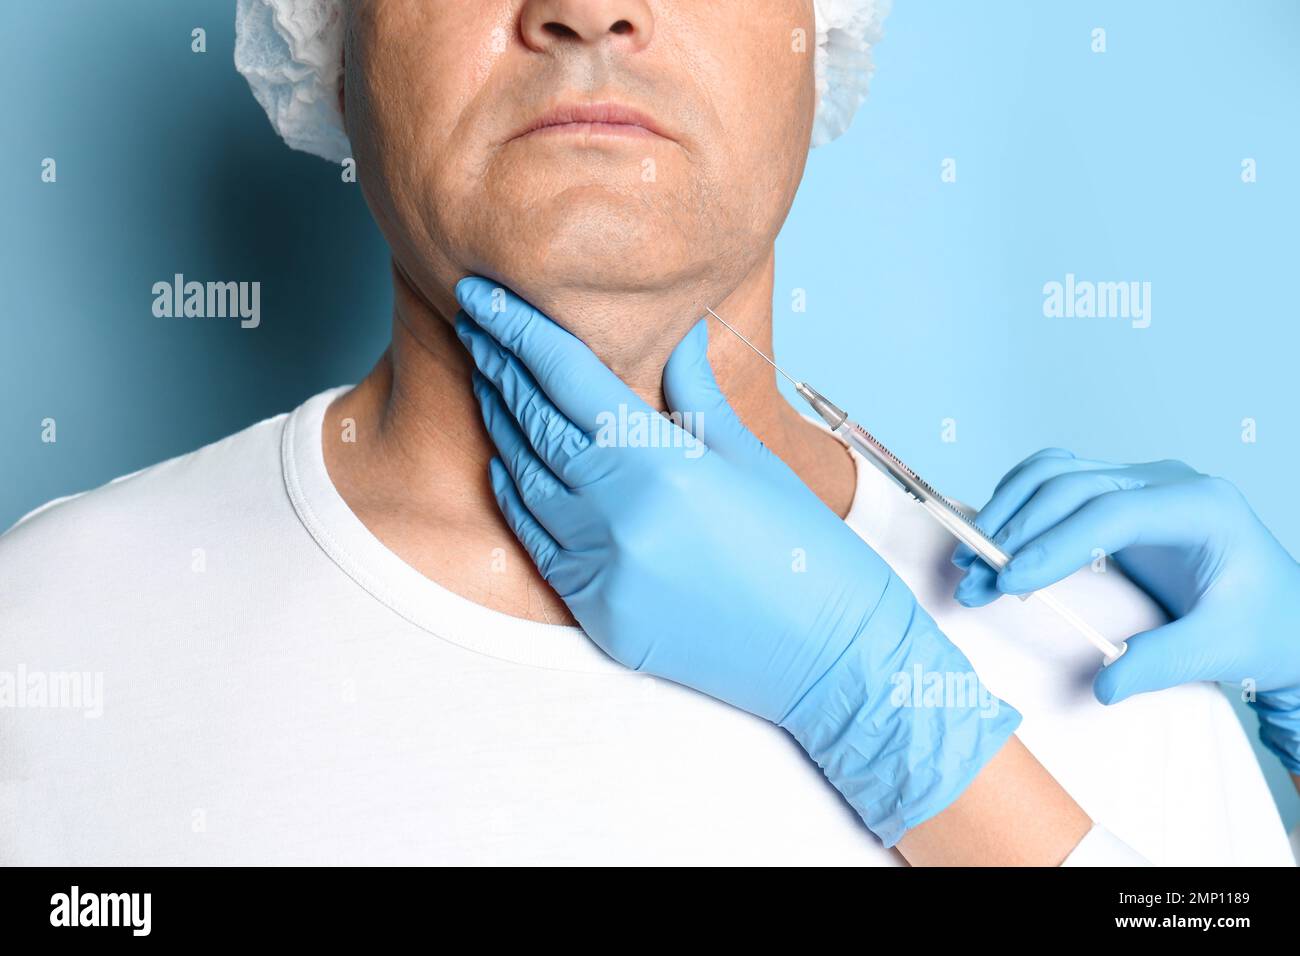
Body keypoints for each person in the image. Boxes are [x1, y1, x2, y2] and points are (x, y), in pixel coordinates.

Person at [0, 0, 1291, 865]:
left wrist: (901, 721)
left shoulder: (1115, 654)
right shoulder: (53, 628)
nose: (588, 4)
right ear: (333, 43)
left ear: (815, 38)